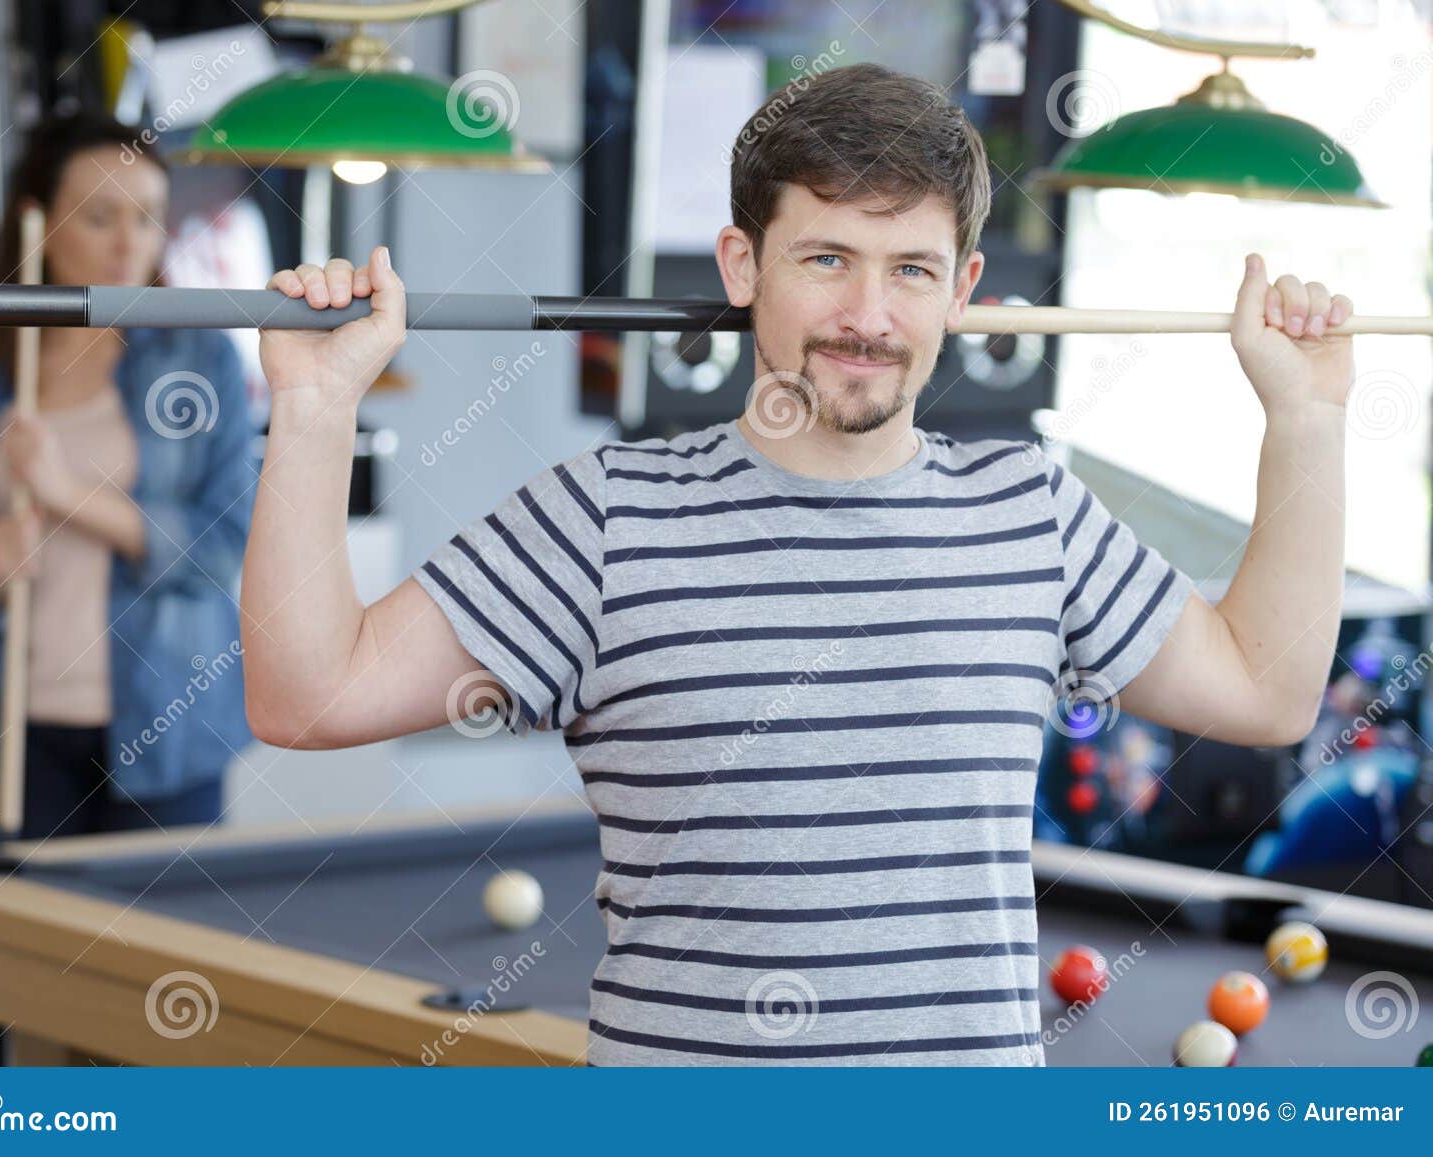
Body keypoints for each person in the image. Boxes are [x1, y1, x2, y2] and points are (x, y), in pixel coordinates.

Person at [241, 63, 1354, 1065]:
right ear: (742, 264)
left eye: (910, 268)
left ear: (961, 289)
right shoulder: (606, 517)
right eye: (826, 258)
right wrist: (315, 406)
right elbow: (306, 692)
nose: (868, 315)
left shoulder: (1033, 510)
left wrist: (1305, 425)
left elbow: (1266, 689)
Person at [0, 111, 255, 842]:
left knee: (165, 958)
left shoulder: (202, 363)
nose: (129, 242)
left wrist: (68, 493)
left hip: (170, 735)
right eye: (100, 217)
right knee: (27, 953)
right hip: (21, 736)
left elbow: (226, 550)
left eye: (148, 217)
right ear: (37, 222)